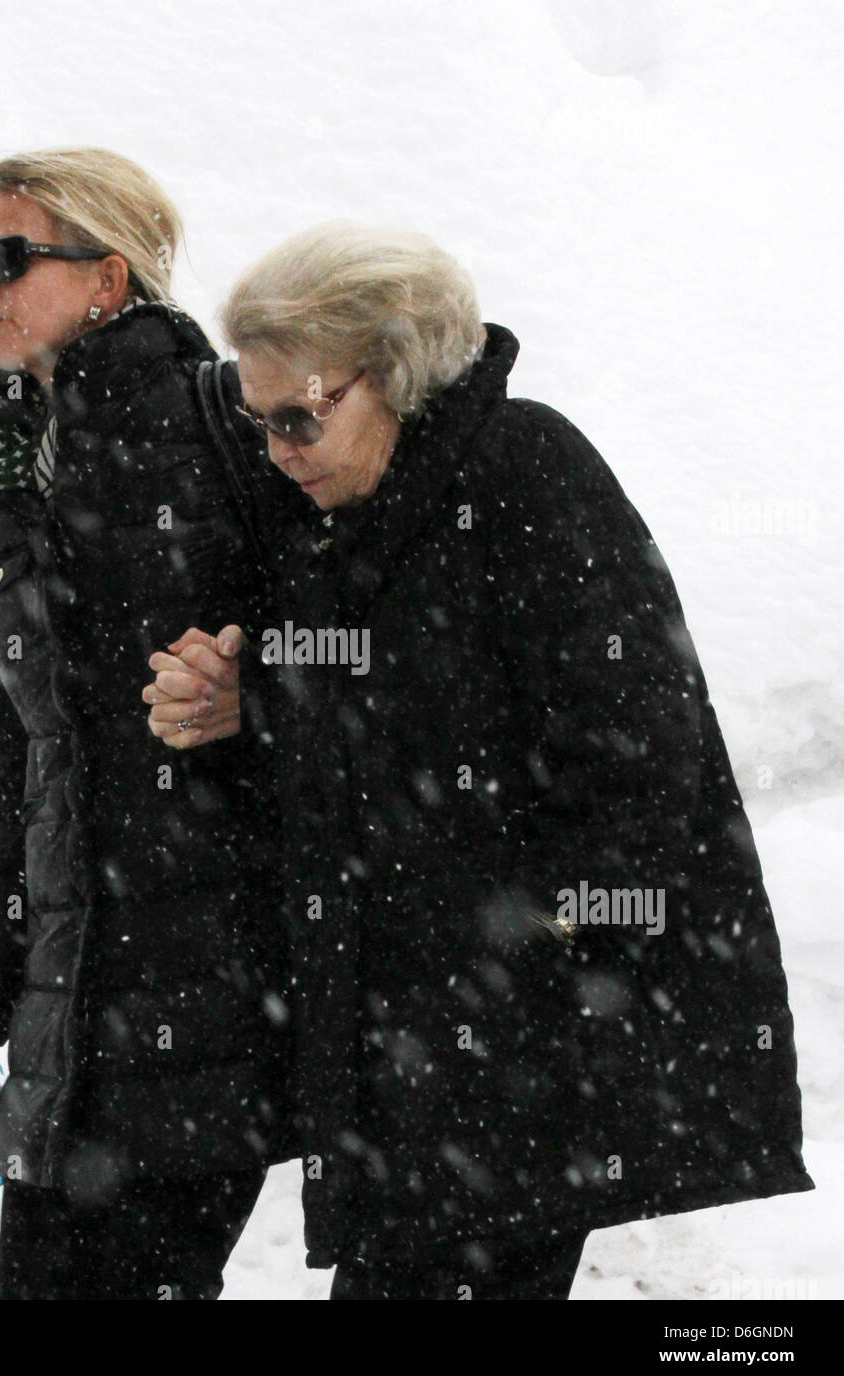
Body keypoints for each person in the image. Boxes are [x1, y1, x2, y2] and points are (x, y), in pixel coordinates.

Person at [144, 221, 815, 1300]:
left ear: (395, 375)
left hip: (509, 1065)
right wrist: (243, 703)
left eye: (297, 417)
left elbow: (639, 751)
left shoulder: (526, 472)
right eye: (252, 418)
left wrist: (540, 968)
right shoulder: (336, 514)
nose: (276, 450)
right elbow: (385, 723)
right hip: (397, 1059)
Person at [0, 148, 295, 1299]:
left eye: (9, 256)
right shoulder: (6, 463)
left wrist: (257, 691)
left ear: (106, 279)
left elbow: (375, 647)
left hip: (215, 996)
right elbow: (21, 756)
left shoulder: (231, 423)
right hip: (77, 1007)